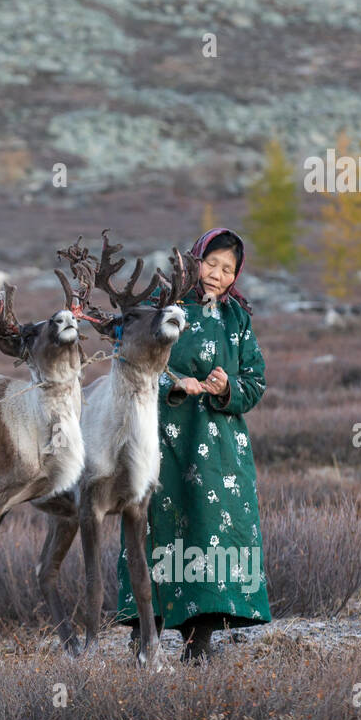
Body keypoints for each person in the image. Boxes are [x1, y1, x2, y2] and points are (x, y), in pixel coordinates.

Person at [116, 227, 271, 662]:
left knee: (212, 531)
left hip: (218, 446)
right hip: (160, 438)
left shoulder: (237, 319)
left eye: (228, 269)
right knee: (150, 526)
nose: (217, 275)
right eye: (211, 263)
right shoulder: (163, 308)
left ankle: (198, 644)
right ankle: (142, 638)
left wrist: (228, 388)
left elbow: (256, 381)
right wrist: (171, 381)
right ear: (194, 259)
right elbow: (127, 352)